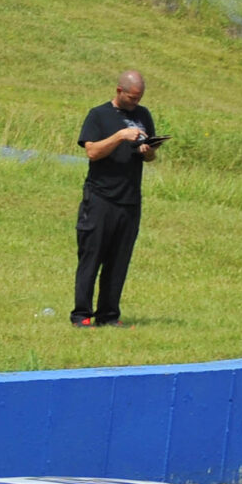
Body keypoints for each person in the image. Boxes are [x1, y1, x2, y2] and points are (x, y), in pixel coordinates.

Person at [74, 70, 158, 327]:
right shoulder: (98, 115)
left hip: (130, 199)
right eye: (132, 98)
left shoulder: (143, 115)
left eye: (139, 98)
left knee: (119, 260)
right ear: (119, 91)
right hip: (100, 198)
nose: (136, 103)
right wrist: (120, 136)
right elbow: (92, 152)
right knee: (92, 256)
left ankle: (109, 315)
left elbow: (151, 155)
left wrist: (147, 151)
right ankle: (82, 315)